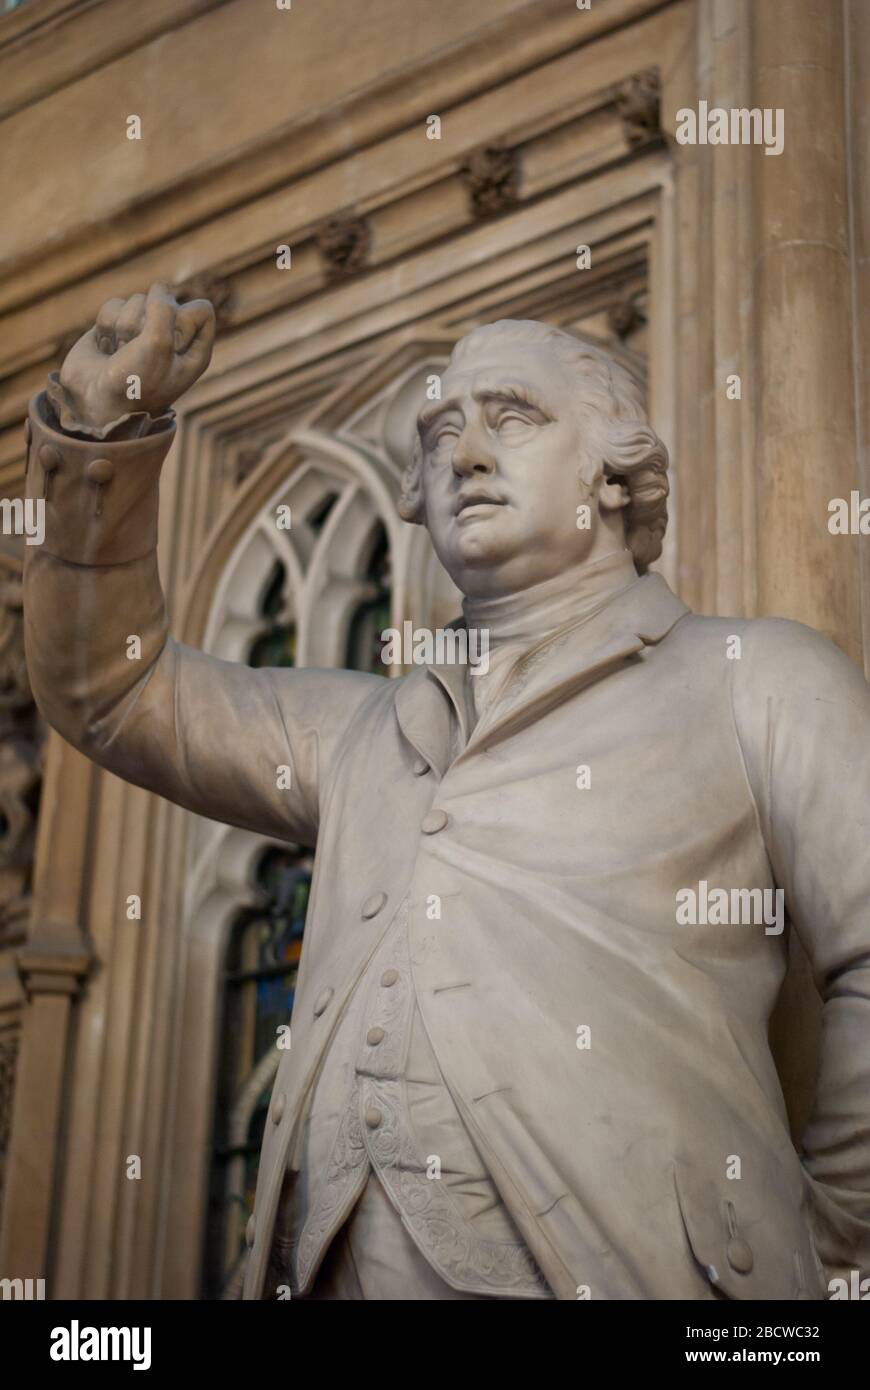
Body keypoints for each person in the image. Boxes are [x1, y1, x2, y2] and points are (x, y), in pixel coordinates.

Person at [22, 285, 870, 1299]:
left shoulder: (756, 679)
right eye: (439, 431)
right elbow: (114, 687)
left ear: (612, 465)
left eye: (511, 414)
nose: (464, 451)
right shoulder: (355, 735)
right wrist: (95, 436)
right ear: (414, 494)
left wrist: (823, 1255)